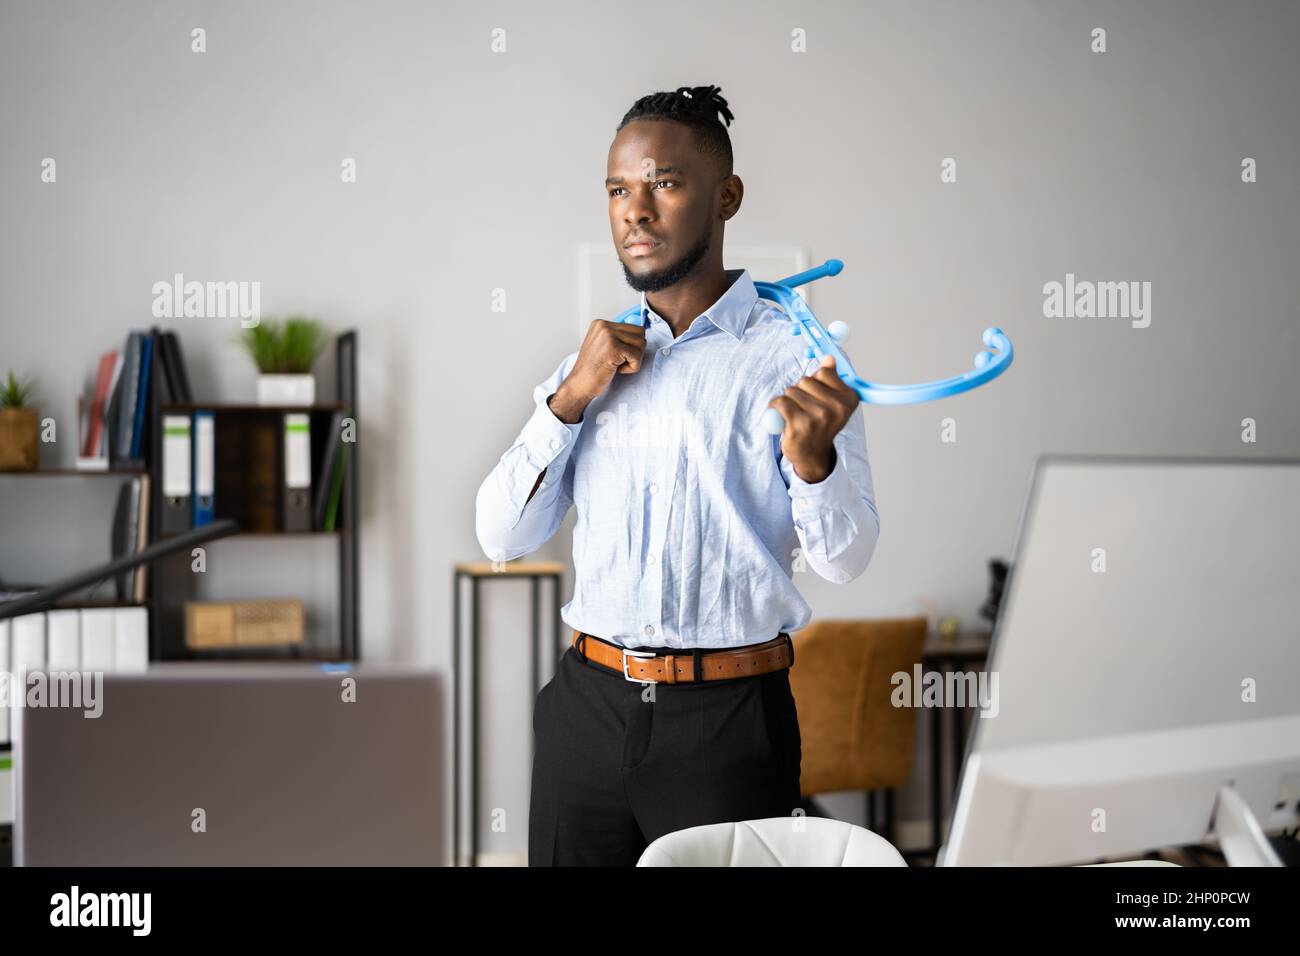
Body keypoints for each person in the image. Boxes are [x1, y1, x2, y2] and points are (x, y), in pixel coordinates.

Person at [475, 84, 880, 866]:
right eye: (619, 190)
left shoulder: (801, 364)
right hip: (584, 710)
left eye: (664, 182)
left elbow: (846, 560)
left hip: (729, 722)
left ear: (725, 196)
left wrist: (814, 461)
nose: (636, 210)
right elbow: (501, 534)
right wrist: (568, 399)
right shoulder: (587, 366)